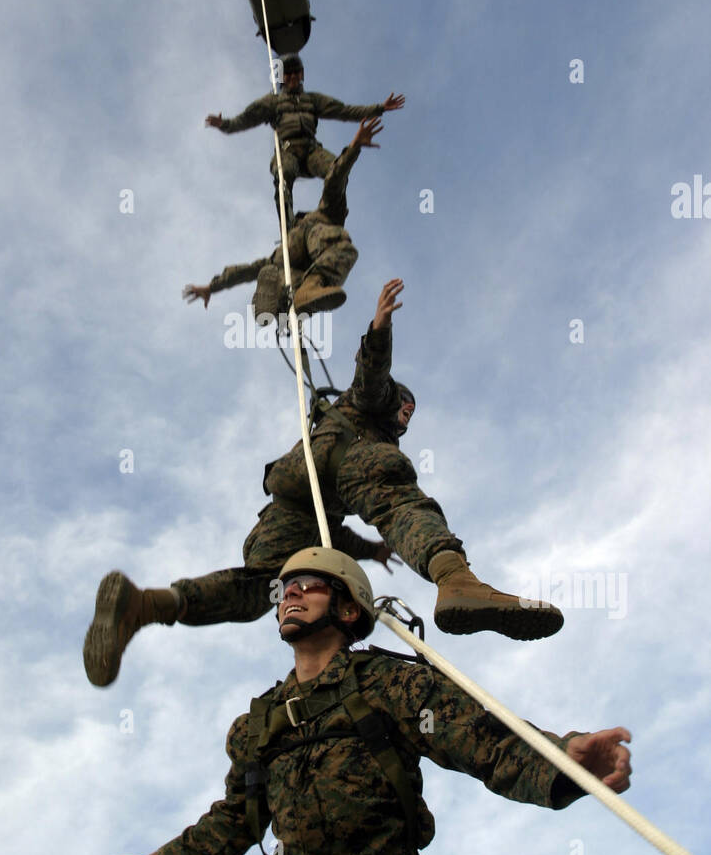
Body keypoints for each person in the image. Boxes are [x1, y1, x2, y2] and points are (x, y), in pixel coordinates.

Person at [86, 548, 632, 855]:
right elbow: (235, 820)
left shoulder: (389, 684)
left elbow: (482, 741)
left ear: (349, 610)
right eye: (286, 588)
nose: (292, 593)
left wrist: (564, 756)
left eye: (311, 585)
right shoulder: (255, 727)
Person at [82, 280, 562, 688]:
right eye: (407, 407)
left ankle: (145, 605)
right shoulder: (375, 414)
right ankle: (458, 582)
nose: (407, 413)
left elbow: (329, 524)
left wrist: (371, 551)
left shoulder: (347, 435)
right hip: (345, 455)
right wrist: (379, 330)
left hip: (299, 483)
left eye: (410, 411)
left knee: (266, 586)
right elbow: (372, 381)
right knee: (398, 495)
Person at [183, 116, 382, 320]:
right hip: (312, 241)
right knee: (343, 248)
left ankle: (280, 300)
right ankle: (303, 290)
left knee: (277, 275)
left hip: (287, 261)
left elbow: (246, 271)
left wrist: (211, 287)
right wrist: (354, 147)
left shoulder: (288, 237)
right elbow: (335, 180)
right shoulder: (327, 214)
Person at [205, 55, 404, 215]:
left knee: (338, 169)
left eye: (295, 73)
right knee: (283, 176)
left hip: (310, 150)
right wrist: (225, 124)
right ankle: (288, 222)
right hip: (288, 151)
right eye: (287, 75)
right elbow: (246, 119)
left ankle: (332, 213)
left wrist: (379, 108)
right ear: (282, 78)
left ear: (301, 75)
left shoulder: (313, 100)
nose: (292, 78)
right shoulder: (272, 102)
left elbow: (345, 111)